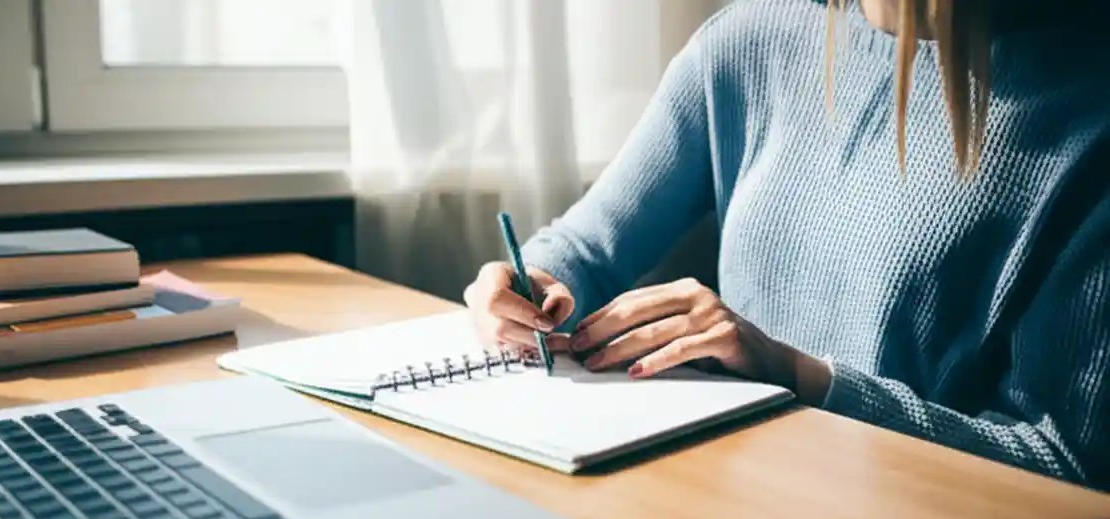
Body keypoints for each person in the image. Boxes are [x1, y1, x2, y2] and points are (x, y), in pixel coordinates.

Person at [463, 0, 1109, 486]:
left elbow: (1068, 464)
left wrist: (799, 376)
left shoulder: (1085, 111)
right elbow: (586, 249)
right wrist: (530, 286)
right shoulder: (750, 42)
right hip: (731, 513)